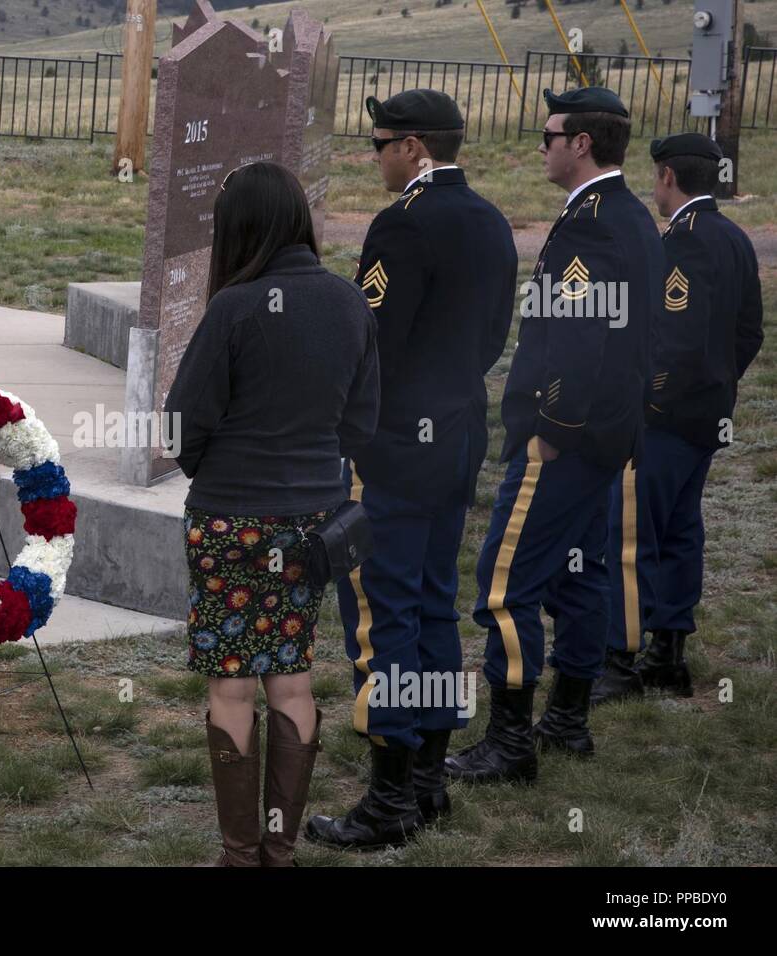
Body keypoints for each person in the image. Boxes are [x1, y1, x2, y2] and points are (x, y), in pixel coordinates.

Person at [304, 90, 516, 852]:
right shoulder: (491, 221)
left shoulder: (404, 223)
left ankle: (391, 796)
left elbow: (373, 342)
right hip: (456, 437)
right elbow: (492, 336)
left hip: (393, 446)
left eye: (380, 142)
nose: (375, 155)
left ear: (415, 147)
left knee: (380, 613)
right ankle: (427, 776)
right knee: (432, 603)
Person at [163, 161, 380, 866]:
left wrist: (217, 466)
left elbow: (181, 428)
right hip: (312, 522)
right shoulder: (351, 304)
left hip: (230, 518)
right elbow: (361, 422)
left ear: (242, 228)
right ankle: (280, 848)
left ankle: (239, 850)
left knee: (232, 679)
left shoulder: (234, 307)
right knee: (290, 675)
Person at [445, 87, 663, 785]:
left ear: (583, 144)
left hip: (566, 442)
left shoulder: (593, 225)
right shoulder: (629, 216)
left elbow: (577, 342)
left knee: (505, 589)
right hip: (609, 438)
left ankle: (510, 744)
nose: (541, 146)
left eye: (550, 135)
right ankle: (567, 722)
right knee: (580, 576)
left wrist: (552, 432)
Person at [593, 132, 764, 704]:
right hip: (707, 418)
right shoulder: (735, 237)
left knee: (632, 537)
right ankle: (669, 652)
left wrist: (651, 403)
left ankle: (620, 660)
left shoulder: (684, 241)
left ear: (668, 176)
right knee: (682, 530)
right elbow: (748, 333)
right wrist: (719, 385)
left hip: (666, 422)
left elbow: (676, 344)